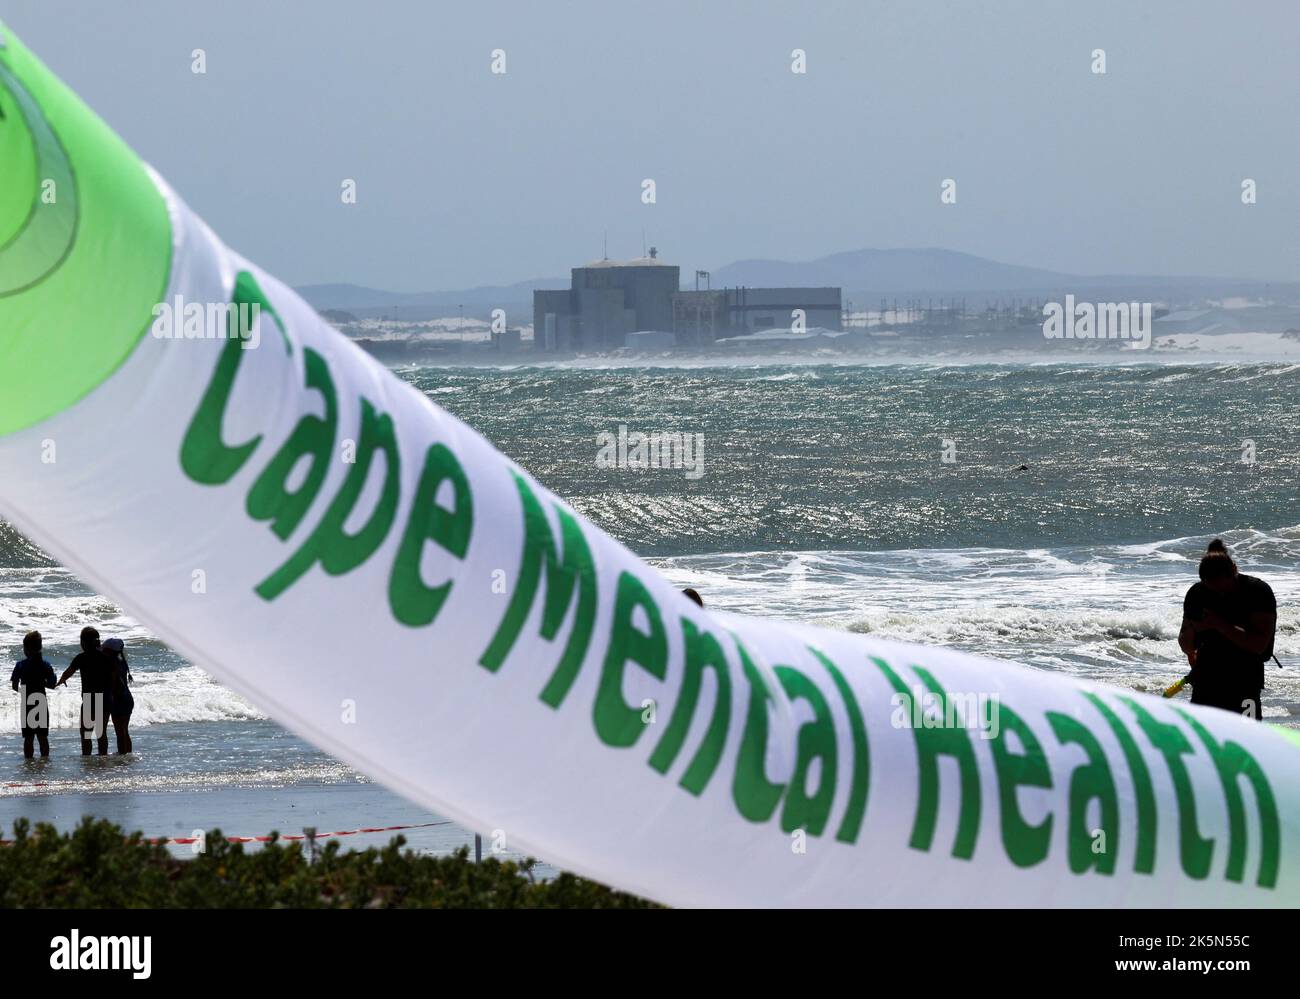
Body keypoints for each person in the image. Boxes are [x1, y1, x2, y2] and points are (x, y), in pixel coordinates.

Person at [1178, 539, 1276, 719]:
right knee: (1204, 739)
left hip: (1245, 679)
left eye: (1221, 588)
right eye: (1211, 588)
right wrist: (1193, 630)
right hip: (1206, 678)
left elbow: (1259, 645)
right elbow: (1186, 646)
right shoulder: (1198, 593)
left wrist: (1218, 624)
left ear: (1233, 574)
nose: (1217, 593)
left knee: (1249, 737)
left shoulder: (1257, 592)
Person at [58, 626, 113, 755]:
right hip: (104, 698)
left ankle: (87, 759)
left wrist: (60, 681)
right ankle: (102, 759)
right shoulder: (104, 657)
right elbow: (113, 676)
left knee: (86, 733)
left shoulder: (81, 657)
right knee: (101, 733)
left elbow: (68, 672)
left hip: (90, 699)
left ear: (84, 642)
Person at [11, 631, 57, 759]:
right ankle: (45, 762)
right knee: (43, 737)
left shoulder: (20, 665)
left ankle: (29, 764)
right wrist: (42, 684)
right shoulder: (46, 665)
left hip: (27, 704)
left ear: (27, 648)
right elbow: (52, 684)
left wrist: (23, 692)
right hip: (41, 702)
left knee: (28, 738)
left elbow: (14, 686)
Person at [102, 637, 134, 754]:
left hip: (118, 699)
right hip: (127, 698)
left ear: (109, 651)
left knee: (120, 733)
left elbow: (114, 684)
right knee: (124, 731)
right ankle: (128, 756)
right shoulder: (121, 661)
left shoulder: (111, 663)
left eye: (104, 650)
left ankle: (123, 759)